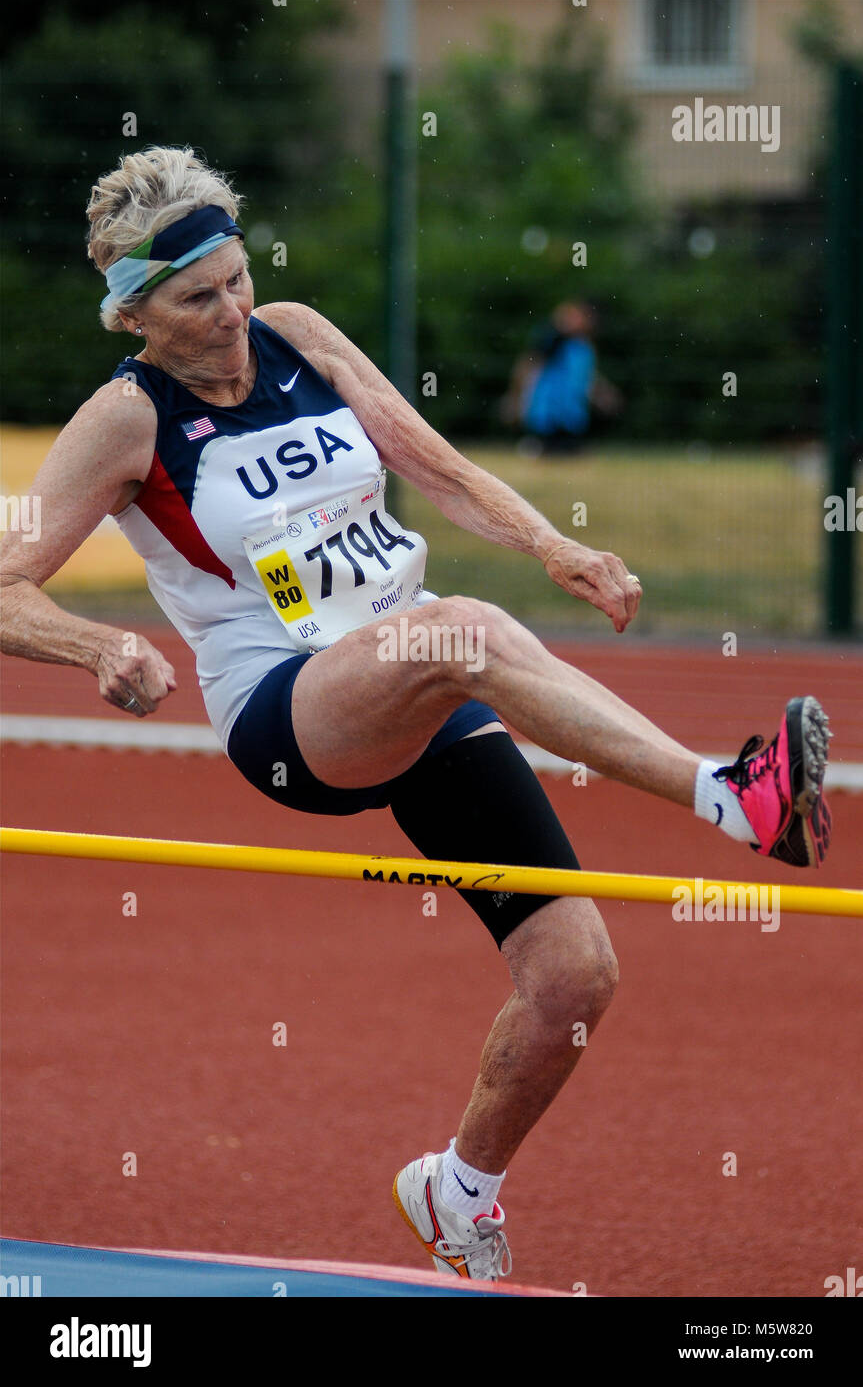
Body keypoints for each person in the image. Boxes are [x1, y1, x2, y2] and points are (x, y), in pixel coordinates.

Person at [0, 148, 832, 1284]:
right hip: (290, 714)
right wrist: (100, 645)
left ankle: (456, 1193)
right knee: (465, 632)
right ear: (134, 312)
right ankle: (732, 797)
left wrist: (552, 541)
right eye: (199, 298)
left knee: (573, 974)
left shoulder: (294, 331)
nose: (233, 310)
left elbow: (424, 460)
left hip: (419, 682)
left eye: (238, 277)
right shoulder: (125, 419)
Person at [503, 300, 622, 455]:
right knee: (554, 447)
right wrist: (517, 398)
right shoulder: (552, 341)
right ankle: (535, 447)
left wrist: (602, 393)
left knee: (569, 449)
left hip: (571, 415)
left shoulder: (583, 347)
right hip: (550, 414)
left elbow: (585, 377)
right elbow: (527, 366)